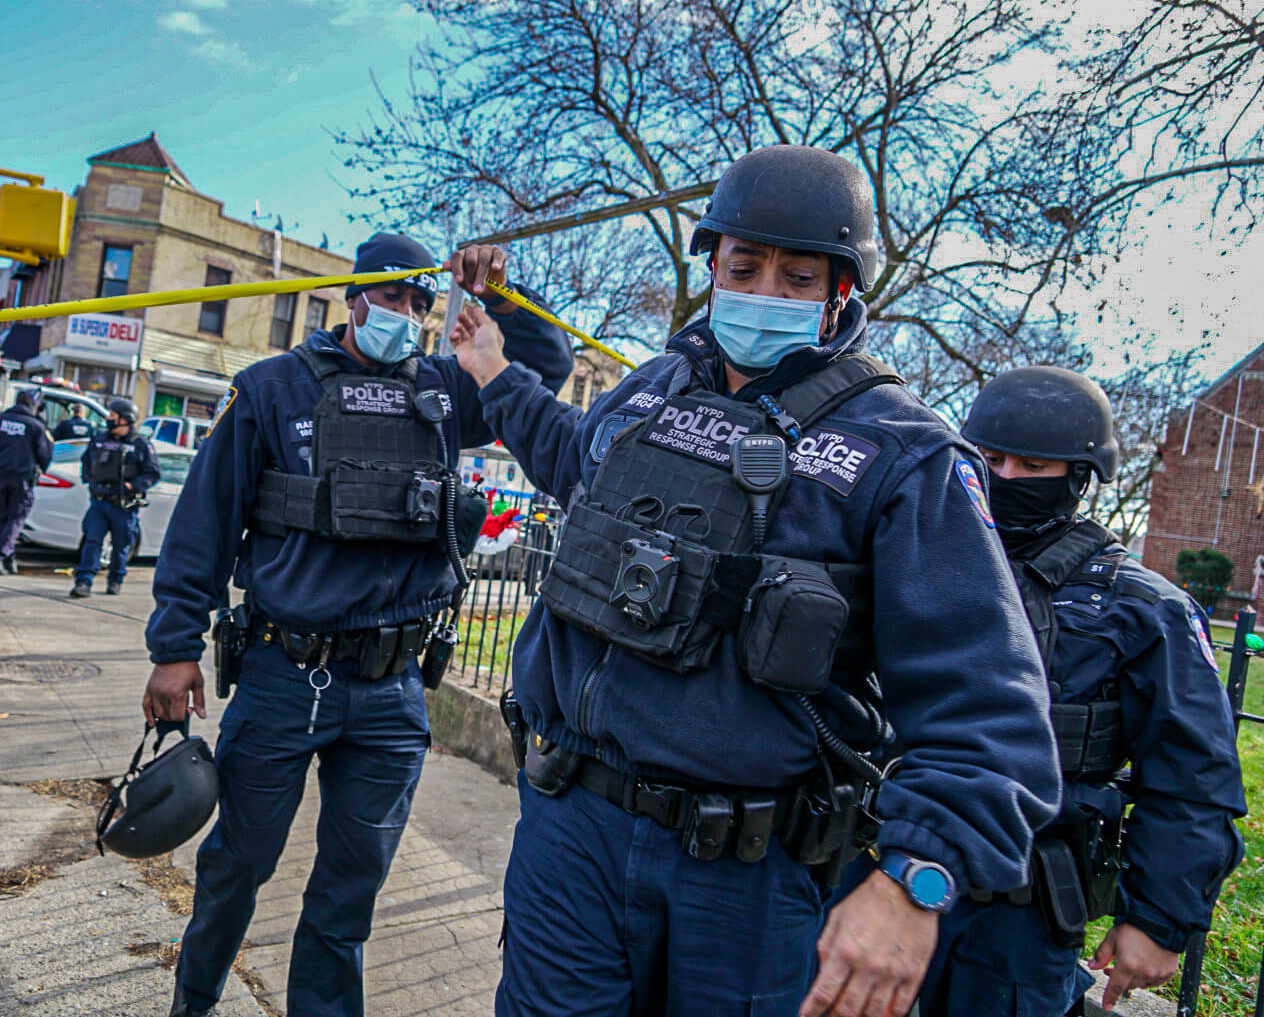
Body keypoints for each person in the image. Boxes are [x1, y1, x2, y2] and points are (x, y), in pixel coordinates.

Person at [446, 145, 1062, 1017]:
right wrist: (492, 368)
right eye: (744, 267)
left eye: (796, 276)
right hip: (571, 829)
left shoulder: (905, 451)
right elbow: (565, 453)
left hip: (746, 877)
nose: (764, 290)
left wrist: (916, 877)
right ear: (713, 269)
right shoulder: (650, 391)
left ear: (840, 291)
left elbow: (987, 700)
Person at [142, 231, 574, 1017]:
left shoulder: (446, 391)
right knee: (237, 865)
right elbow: (204, 524)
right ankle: (192, 1004)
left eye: (419, 301)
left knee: (349, 891)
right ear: (353, 298)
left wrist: (503, 296)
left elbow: (546, 365)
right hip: (283, 675)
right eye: (390, 295)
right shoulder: (270, 388)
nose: (405, 312)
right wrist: (174, 648)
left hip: (391, 693)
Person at [881, 365, 1244, 1016]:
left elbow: (1194, 775)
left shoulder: (1144, 607)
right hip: (884, 873)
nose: (1006, 478)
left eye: (1033, 465)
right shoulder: (913, 557)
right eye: (991, 458)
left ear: (1078, 477)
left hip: (1019, 914)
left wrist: (1158, 919)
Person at [70, 398, 160, 598]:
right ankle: (83, 582)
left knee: (121, 545)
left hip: (123, 506)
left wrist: (132, 486)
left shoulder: (141, 444)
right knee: (92, 542)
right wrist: (91, 482)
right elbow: (86, 462)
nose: (108, 419)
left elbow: (152, 473)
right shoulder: (100, 439)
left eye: (113, 415)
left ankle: (116, 580)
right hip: (99, 502)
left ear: (125, 419)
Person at [0, 387, 52, 575]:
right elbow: (45, 456)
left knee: (3, 518)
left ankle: (8, 558)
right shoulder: (36, 427)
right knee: (16, 519)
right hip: (22, 479)